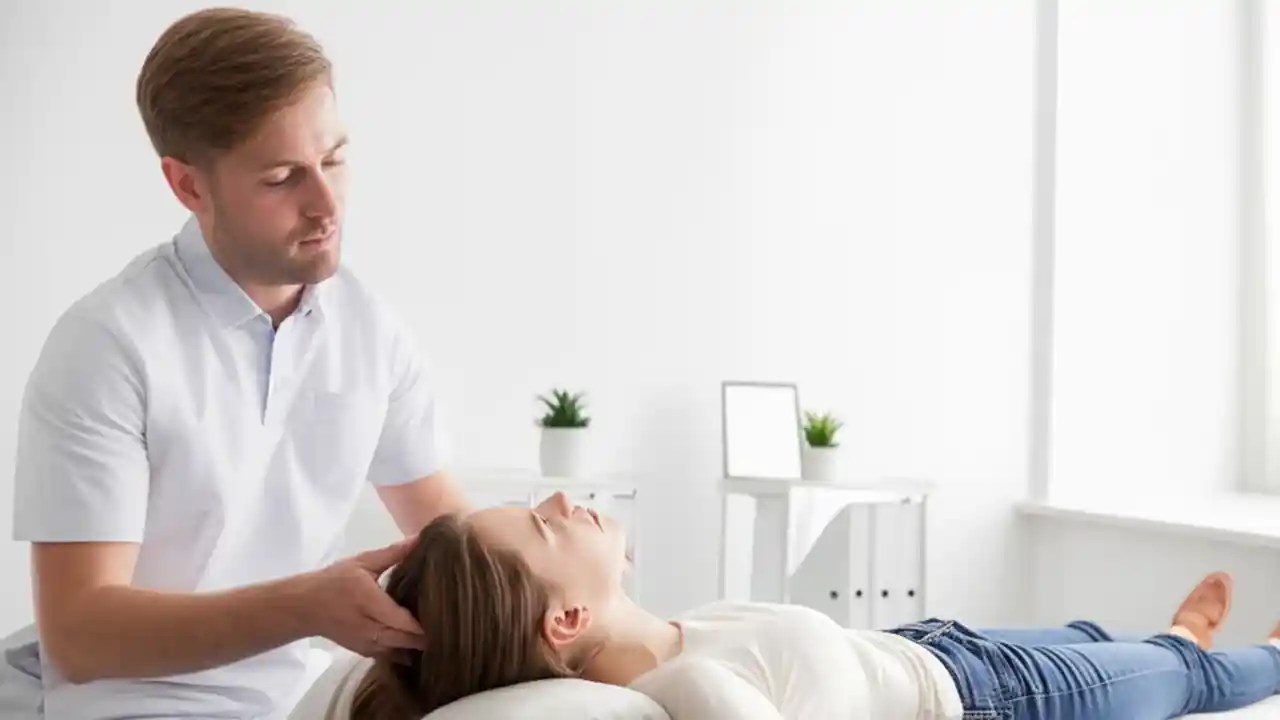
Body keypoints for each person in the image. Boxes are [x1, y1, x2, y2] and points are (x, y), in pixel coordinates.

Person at [3, 8, 468, 719]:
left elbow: (452, 535)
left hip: (298, 694)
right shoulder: (108, 345)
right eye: (283, 178)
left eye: (335, 159)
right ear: (189, 187)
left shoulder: (369, 330)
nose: (326, 203)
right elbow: (79, 636)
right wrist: (304, 606)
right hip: (132, 705)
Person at [316, 492, 1280, 720]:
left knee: (1091, 634)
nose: (566, 499)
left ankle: (1173, 632)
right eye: (543, 521)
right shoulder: (685, 687)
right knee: (1190, 684)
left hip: (926, 643)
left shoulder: (658, 637)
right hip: (992, 700)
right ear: (563, 623)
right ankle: (1250, 652)